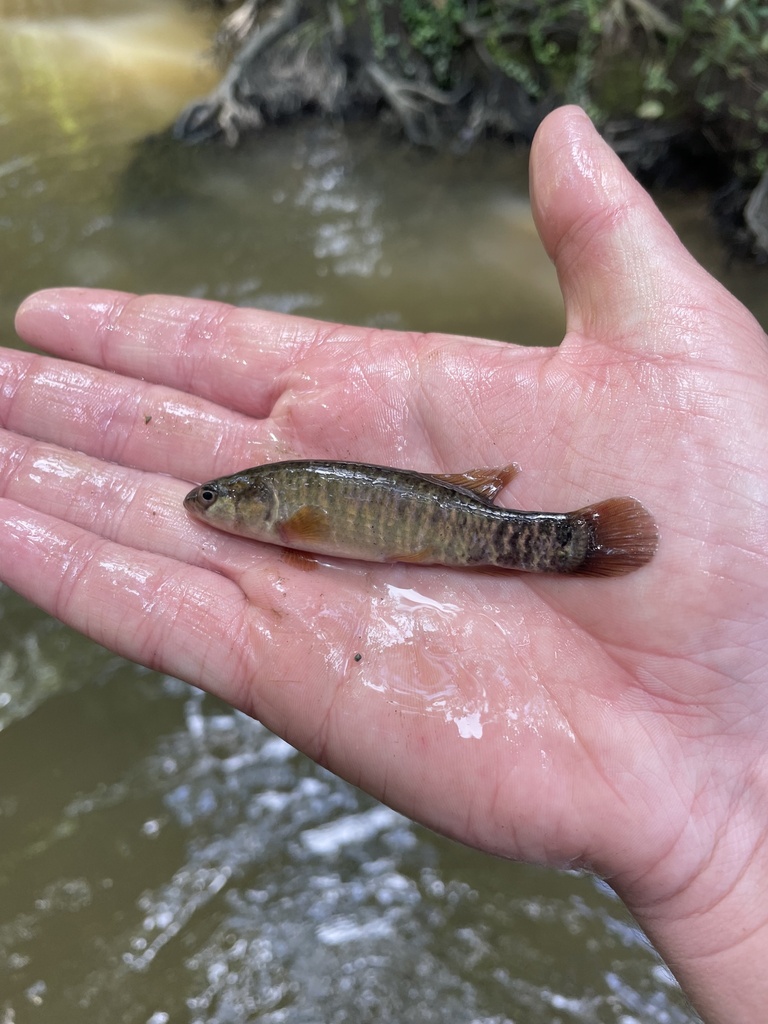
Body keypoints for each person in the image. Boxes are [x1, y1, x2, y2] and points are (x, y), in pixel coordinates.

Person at [1, 106, 766, 1024]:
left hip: (477, 529)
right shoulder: (286, 514)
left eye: (219, 501)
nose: (208, 511)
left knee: (530, 537)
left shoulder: (292, 510)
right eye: (215, 502)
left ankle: (568, 545)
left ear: (262, 506)